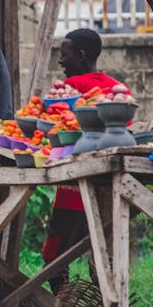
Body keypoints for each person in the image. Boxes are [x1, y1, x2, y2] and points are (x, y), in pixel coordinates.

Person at [43, 28, 123, 292]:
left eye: (64, 55)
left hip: (74, 192)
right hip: (112, 191)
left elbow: (52, 129)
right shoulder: (116, 89)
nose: (61, 61)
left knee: (54, 259)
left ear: (81, 55)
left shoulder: (69, 90)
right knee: (105, 258)